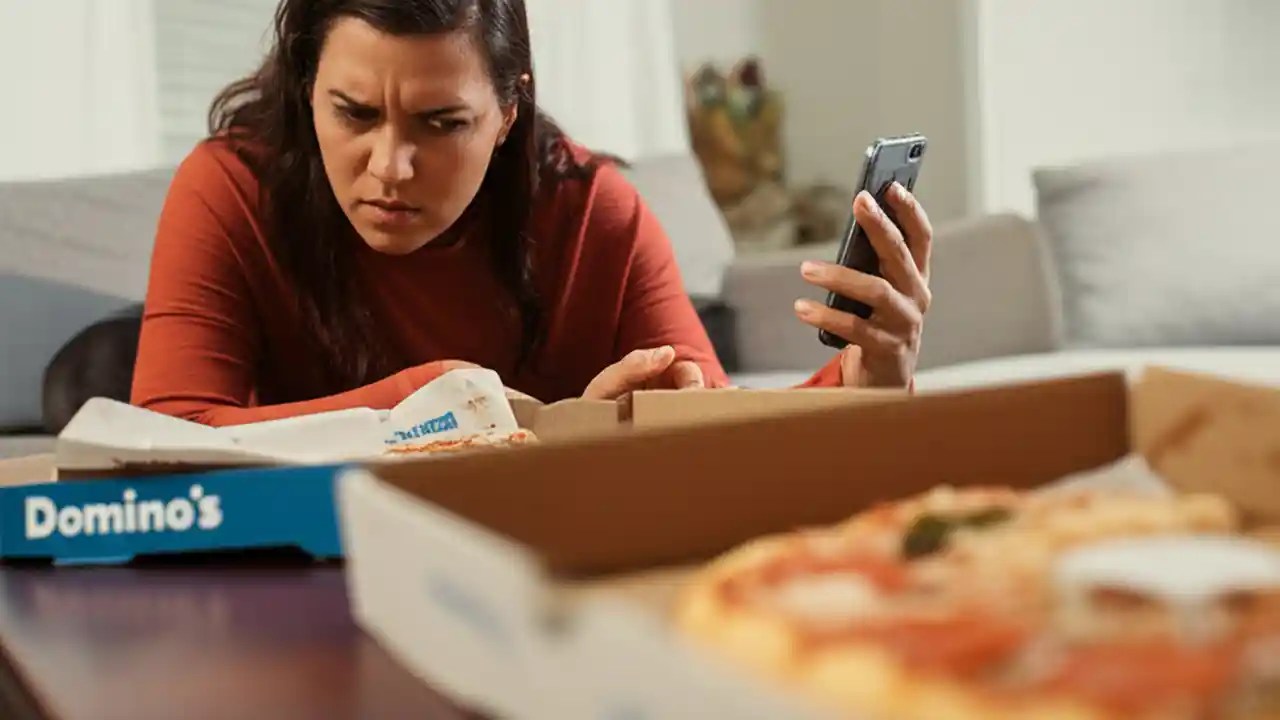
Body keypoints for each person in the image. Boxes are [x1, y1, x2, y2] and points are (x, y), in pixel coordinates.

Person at [130, 0, 935, 427]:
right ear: (308, 87)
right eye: (353, 113)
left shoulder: (598, 218)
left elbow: (711, 439)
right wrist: (446, 405)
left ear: (508, 113)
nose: (389, 167)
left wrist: (866, 386)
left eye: (441, 124)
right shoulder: (229, 190)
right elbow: (160, 448)